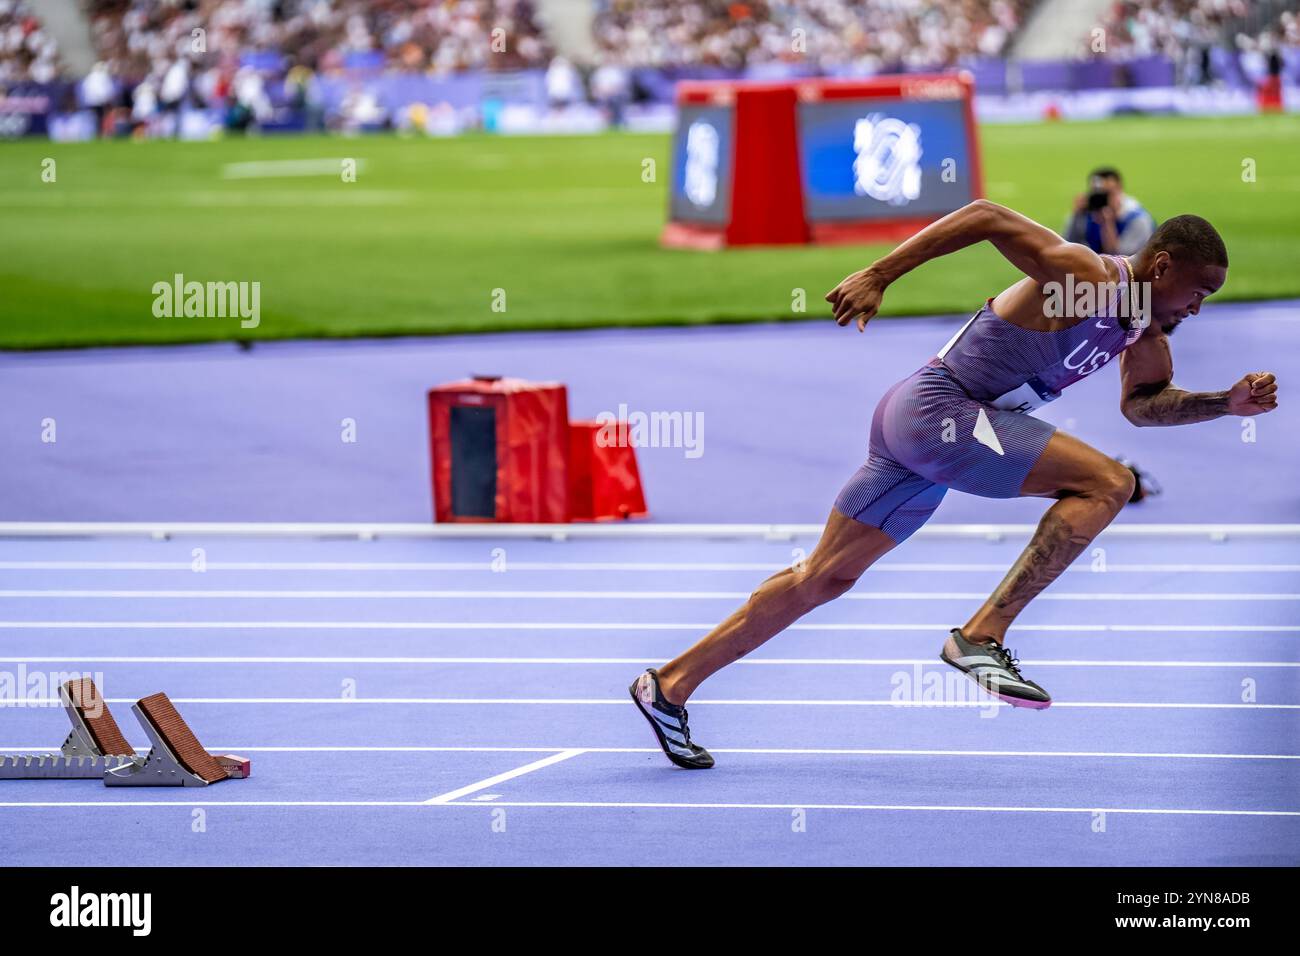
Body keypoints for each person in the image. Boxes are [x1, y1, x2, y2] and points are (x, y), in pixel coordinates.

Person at [630, 200, 1278, 769]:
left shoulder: (1143, 326)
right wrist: (878, 274)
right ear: (1161, 267)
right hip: (941, 412)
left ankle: (671, 684)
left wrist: (1225, 402)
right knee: (1108, 483)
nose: (1199, 306)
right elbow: (986, 215)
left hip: (922, 426)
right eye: (1200, 291)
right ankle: (982, 635)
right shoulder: (1085, 277)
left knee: (824, 577)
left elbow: (1143, 403)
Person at [1065, 167, 1155, 256]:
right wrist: (1076, 215)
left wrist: (1107, 224)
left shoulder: (1137, 219)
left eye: (1107, 194)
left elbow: (1123, 262)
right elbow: (1068, 244)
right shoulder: (1088, 213)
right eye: (1097, 193)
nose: (1102, 200)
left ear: (1120, 190)